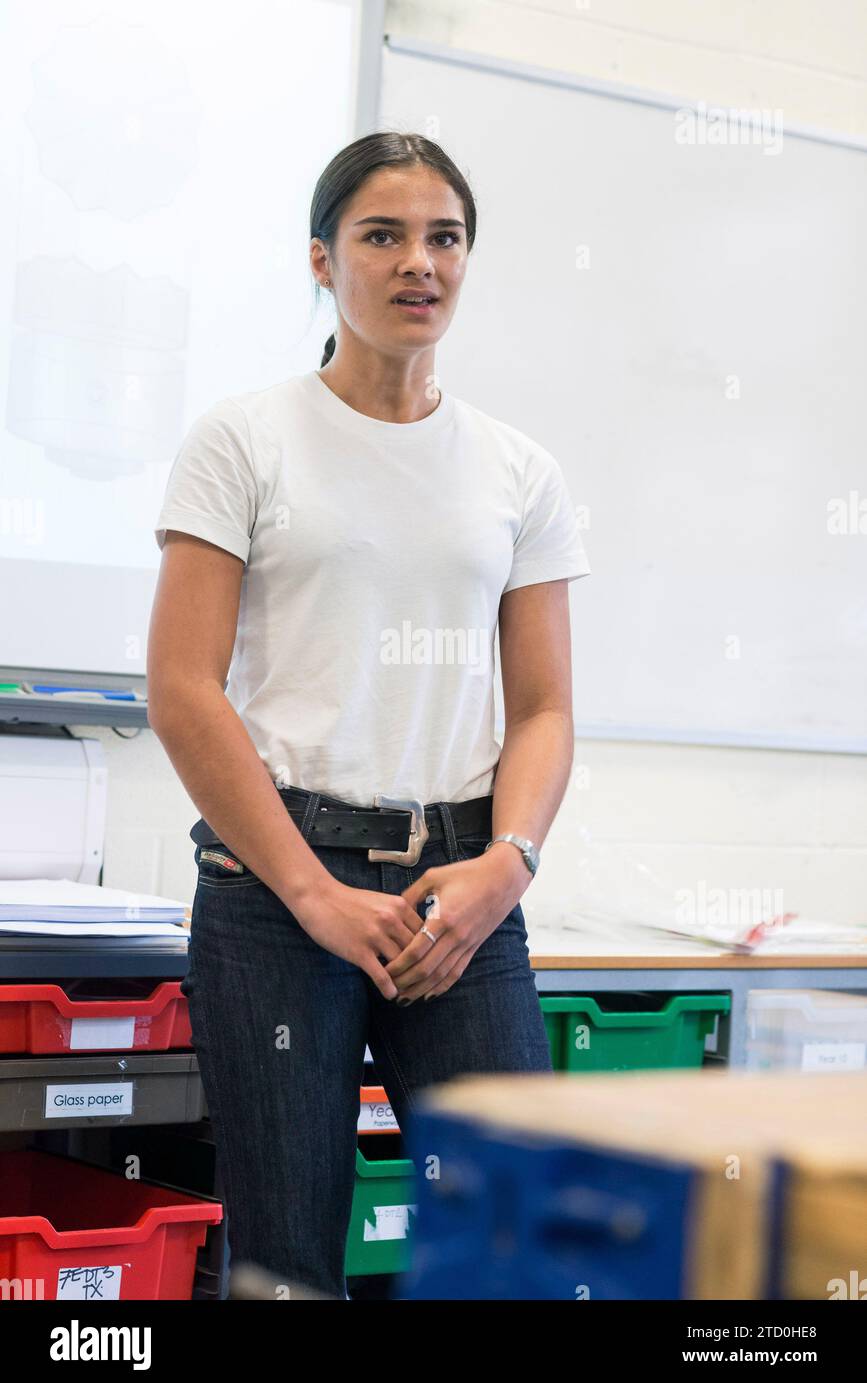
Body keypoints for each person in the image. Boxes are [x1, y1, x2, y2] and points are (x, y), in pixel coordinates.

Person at [148, 131, 590, 1300]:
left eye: (444, 237)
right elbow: (184, 689)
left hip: (464, 887)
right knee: (288, 1264)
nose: (419, 263)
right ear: (321, 261)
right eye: (382, 235)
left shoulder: (517, 470)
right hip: (277, 886)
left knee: (515, 1246)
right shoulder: (241, 440)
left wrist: (511, 863)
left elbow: (544, 707)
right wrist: (310, 890)